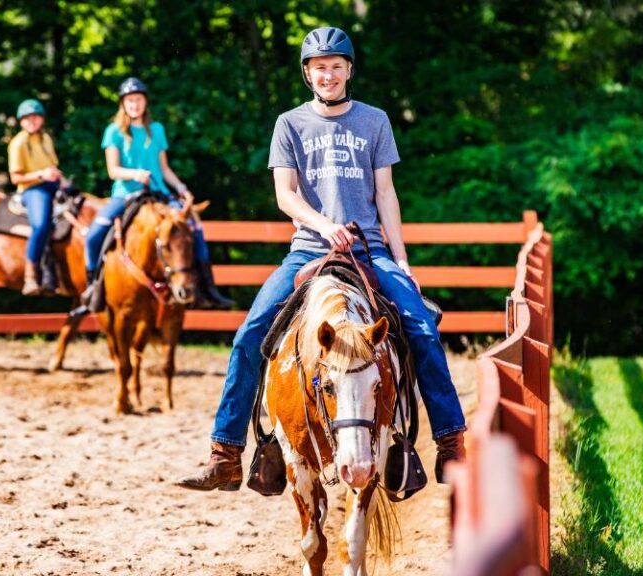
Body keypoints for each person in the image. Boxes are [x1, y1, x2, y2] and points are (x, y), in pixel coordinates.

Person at [176, 26, 466, 492]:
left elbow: (386, 193)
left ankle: (451, 443)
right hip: (309, 250)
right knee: (250, 333)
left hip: (368, 251)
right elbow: (284, 196)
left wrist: (403, 260)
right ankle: (226, 452)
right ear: (307, 75)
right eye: (319, 68)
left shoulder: (375, 121)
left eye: (335, 66)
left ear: (349, 71)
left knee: (420, 326)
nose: (327, 75)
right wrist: (322, 224)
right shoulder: (289, 123)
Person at [74, 77, 233, 313]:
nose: (134, 105)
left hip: (157, 193)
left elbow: (164, 168)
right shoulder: (114, 131)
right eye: (129, 101)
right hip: (125, 194)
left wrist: (181, 188)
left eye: (138, 100)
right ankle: (92, 290)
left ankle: (207, 288)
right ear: (123, 104)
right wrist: (134, 173)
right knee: (95, 235)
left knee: (193, 227)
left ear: (145, 102)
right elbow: (113, 170)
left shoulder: (156, 130)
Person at [8, 98, 63, 296]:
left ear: (42, 119)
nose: (32, 121)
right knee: (40, 225)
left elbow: (52, 166)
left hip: (52, 184)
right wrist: (41, 175)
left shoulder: (45, 139)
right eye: (27, 118)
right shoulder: (18, 143)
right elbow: (16, 177)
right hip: (32, 189)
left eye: (35, 117)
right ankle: (30, 274)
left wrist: (59, 177)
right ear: (21, 121)